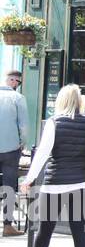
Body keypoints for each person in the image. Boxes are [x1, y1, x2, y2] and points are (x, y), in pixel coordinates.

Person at [21, 85, 85, 247]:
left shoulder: (54, 122)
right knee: (78, 230)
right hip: (81, 183)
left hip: (55, 183)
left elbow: (43, 153)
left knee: (45, 230)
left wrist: (29, 179)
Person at [0, 69, 29, 237]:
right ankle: (7, 225)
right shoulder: (18, 98)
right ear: (14, 81)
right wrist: (22, 143)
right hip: (10, 150)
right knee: (9, 187)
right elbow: (23, 126)